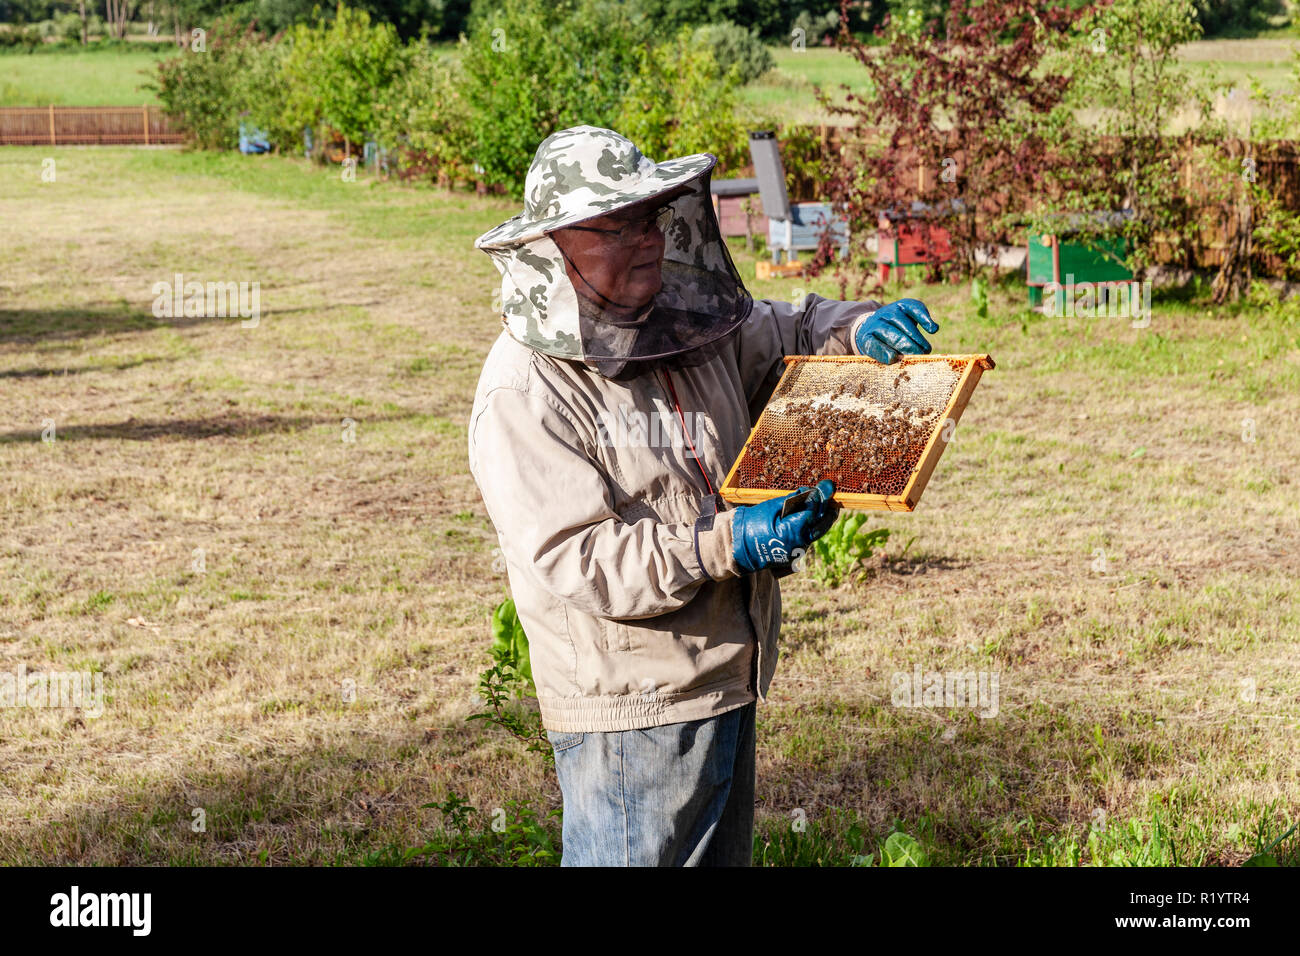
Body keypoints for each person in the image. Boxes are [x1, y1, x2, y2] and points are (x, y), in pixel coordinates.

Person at [468, 126, 938, 866]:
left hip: (725, 677)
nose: (650, 239)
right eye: (622, 225)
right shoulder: (525, 391)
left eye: (653, 216)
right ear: (558, 243)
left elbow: (785, 329)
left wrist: (855, 324)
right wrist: (730, 541)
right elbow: (580, 558)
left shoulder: (683, 321)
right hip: (629, 707)